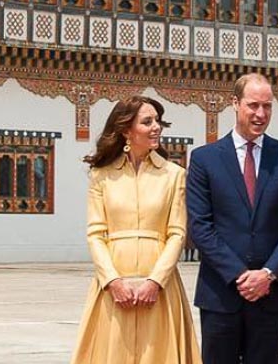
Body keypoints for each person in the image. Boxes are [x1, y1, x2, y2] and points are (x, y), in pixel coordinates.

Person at [186, 73, 278, 364]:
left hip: (271, 294)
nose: (260, 114)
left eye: (267, 106)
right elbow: (201, 226)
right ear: (235, 103)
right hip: (220, 292)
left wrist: (267, 274)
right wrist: (239, 275)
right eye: (253, 105)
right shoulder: (205, 159)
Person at [70, 96, 200, 364]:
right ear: (126, 130)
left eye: (157, 122)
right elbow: (95, 233)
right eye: (147, 122)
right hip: (114, 283)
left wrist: (155, 281)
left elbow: (177, 233)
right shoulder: (101, 175)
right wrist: (112, 281)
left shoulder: (174, 174)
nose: (156, 128)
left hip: (160, 286)